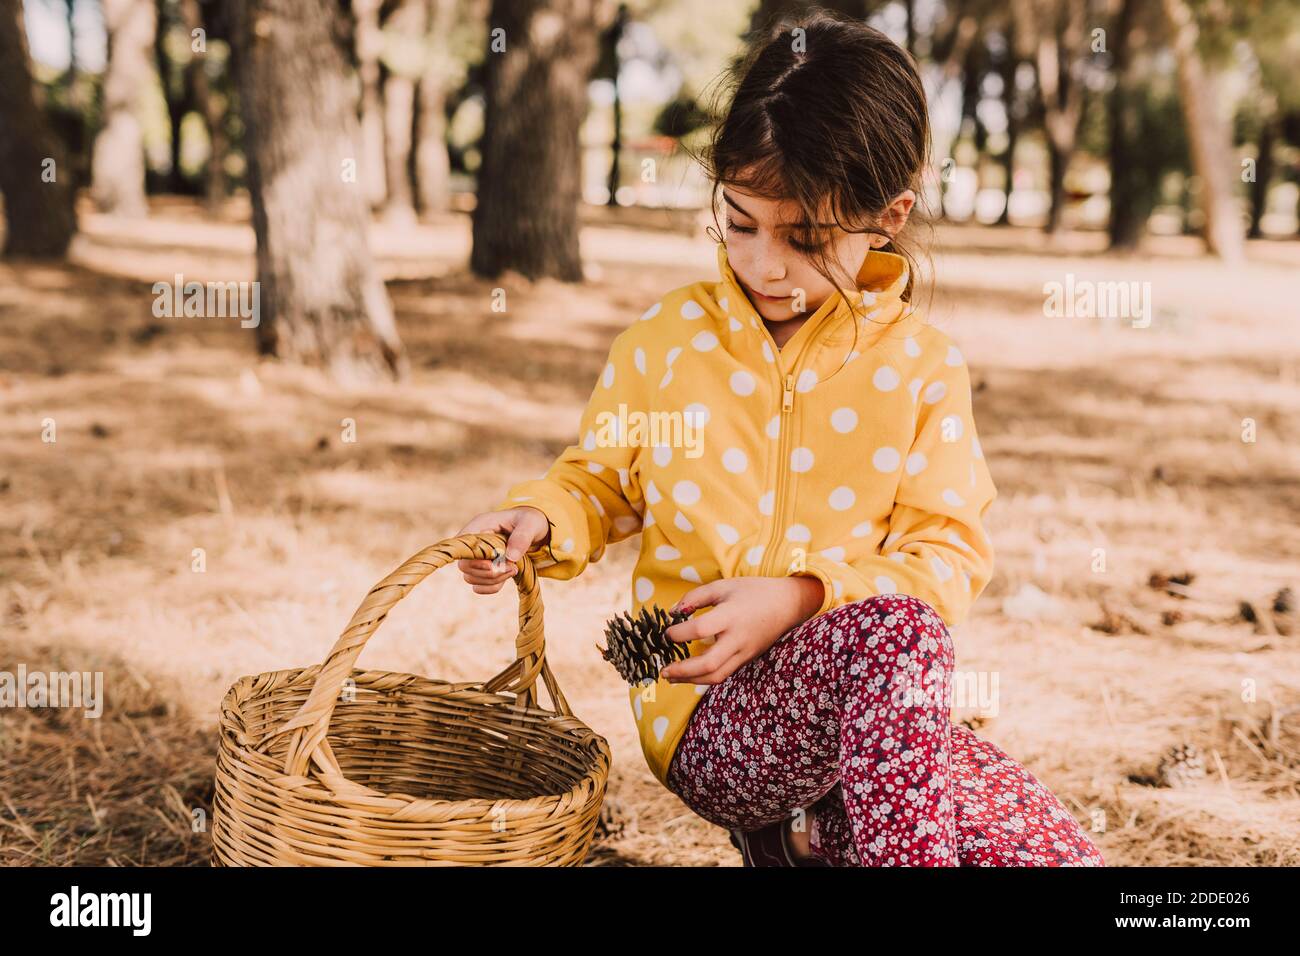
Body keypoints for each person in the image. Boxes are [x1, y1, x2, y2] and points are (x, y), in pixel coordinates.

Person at [456, 10, 1105, 867]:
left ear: (888, 215)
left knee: (1052, 857)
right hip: (707, 707)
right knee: (901, 639)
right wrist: (544, 517)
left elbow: (943, 552)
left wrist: (801, 596)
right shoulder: (666, 343)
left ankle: (801, 836)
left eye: (806, 239)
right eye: (740, 222)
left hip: (874, 723)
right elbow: (599, 482)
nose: (765, 265)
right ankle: (797, 822)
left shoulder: (920, 366)